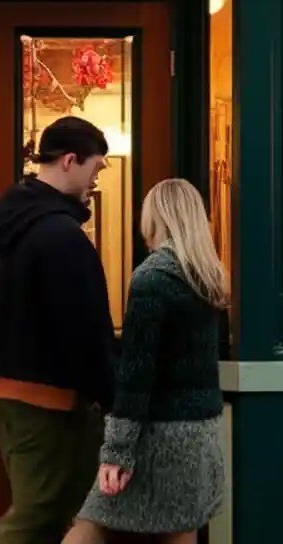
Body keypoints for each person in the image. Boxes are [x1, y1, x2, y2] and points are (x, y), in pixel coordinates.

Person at [0, 116, 117, 544]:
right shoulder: (60, 236)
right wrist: (110, 393)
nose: (96, 179)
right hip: (49, 397)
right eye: (95, 167)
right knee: (41, 511)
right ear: (70, 161)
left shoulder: (11, 224)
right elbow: (84, 328)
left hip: (10, 389)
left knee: (50, 509)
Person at [64, 178, 227, 544]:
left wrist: (117, 451)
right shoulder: (207, 278)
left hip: (159, 436)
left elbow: (137, 374)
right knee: (181, 528)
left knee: (93, 523)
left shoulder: (151, 279)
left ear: (154, 219)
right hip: (200, 433)